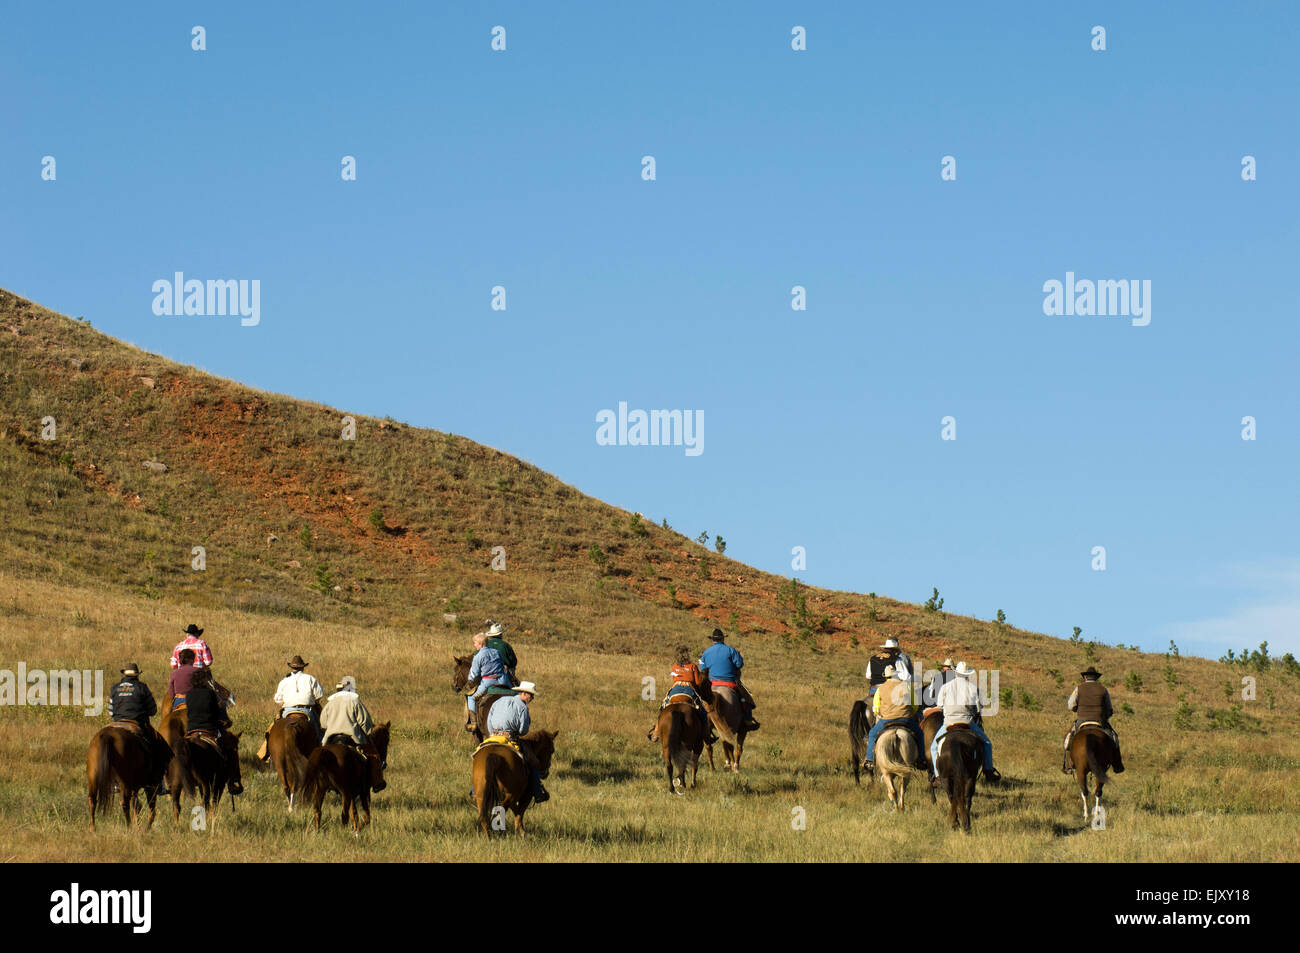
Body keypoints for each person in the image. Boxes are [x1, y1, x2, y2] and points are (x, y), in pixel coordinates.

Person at [930, 662, 1000, 783]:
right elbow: (978, 709)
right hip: (967, 722)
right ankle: (988, 771)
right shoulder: (973, 688)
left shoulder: (946, 687)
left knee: (933, 747)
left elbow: (940, 705)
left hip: (949, 723)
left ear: (956, 673)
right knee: (987, 743)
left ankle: (937, 776)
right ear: (967, 675)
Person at [108, 661, 172, 790]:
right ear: (137, 675)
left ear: (124, 674)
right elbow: (153, 710)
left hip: (116, 723)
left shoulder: (114, 688)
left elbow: (110, 711)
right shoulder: (142, 687)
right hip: (137, 723)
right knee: (159, 746)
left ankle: (112, 780)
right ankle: (158, 782)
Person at [485, 681, 549, 803]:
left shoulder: (499, 701)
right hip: (509, 738)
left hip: (492, 737)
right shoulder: (523, 707)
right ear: (524, 693)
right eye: (531, 695)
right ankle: (537, 792)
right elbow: (523, 730)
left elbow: (489, 720)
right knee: (531, 761)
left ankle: (474, 789)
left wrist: (492, 733)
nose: (532, 698)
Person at [648, 644, 717, 744]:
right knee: (702, 709)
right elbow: (698, 682)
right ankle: (707, 734)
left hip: (675, 689)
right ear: (687, 655)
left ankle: (656, 732)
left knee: (663, 707)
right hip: (689, 689)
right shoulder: (692, 666)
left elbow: (674, 679)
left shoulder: (674, 667)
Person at [862, 665, 926, 771]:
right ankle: (921, 759)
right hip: (905, 719)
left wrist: (882, 714)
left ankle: (869, 760)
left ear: (886, 677)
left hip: (886, 719)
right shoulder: (906, 686)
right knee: (920, 734)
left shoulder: (880, 689)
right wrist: (910, 713)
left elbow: (876, 708)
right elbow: (915, 705)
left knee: (872, 734)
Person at [1063, 666, 1125, 774]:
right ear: (1096, 678)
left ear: (1085, 677)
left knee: (1069, 739)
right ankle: (1117, 765)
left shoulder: (1079, 688)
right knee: (1114, 738)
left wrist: (1076, 709)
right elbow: (1109, 708)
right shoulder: (1103, 689)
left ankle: (1068, 765)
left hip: (1082, 720)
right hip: (1099, 721)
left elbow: (1070, 705)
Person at [699, 628, 759, 731]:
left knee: (699, 701)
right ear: (723, 639)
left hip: (712, 684)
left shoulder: (706, 653)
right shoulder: (731, 650)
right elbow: (739, 664)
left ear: (712, 640)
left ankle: (700, 722)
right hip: (729, 683)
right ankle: (748, 720)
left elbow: (702, 669)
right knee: (746, 697)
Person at [464, 631, 512, 731]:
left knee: (472, 698)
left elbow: (473, 675)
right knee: (514, 694)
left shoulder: (478, 656)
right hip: (503, 680)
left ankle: (473, 723)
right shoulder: (496, 652)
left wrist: (470, 680)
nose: (474, 645)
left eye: (475, 643)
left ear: (480, 644)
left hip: (488, 682)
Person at [273, 655, 324, 740]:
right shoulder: (310, 678)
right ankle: (320, 744)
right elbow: (319, 695)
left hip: (287, 711)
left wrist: (283, 703)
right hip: (306, 711)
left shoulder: (284, 681)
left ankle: (268, 750)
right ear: (303, 667)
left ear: (291, 668)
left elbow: (277, 699)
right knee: (318, 731)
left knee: (274, 729)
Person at [319, 676, 375, 748]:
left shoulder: (329, 704)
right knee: (368, 757)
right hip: (353, 739)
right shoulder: (355, 702)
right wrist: (368, 733)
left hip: (331, 739)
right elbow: (364, 722)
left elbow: (323, 724)